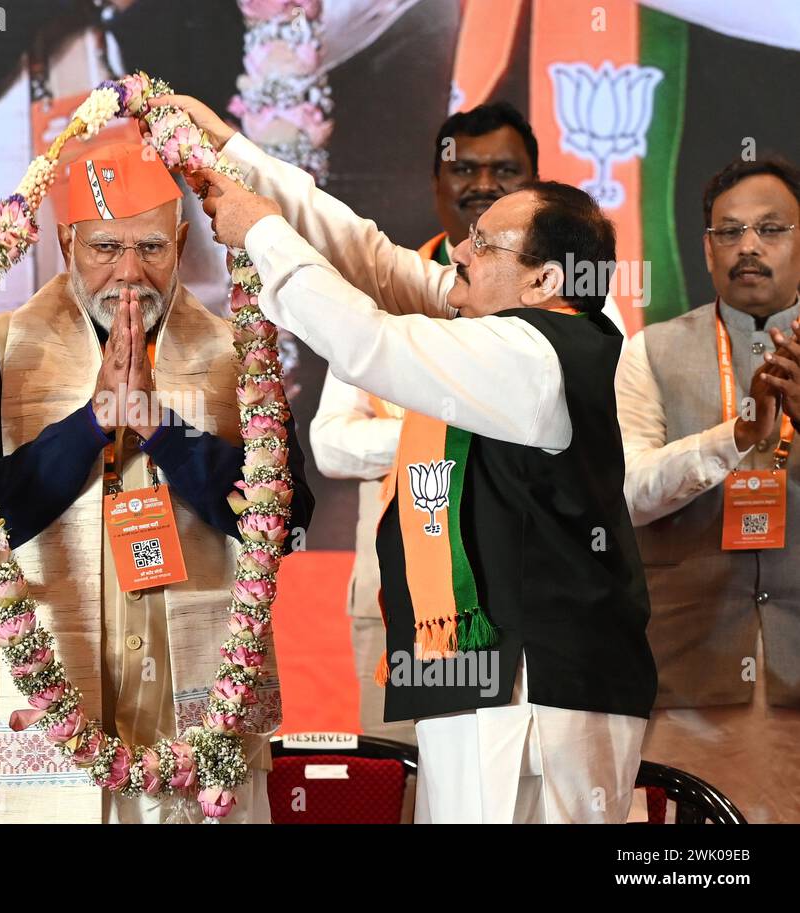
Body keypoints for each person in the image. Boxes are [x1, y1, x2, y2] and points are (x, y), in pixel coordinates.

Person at [165, 93, 656, 823]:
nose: (459, 248)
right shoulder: (497, 322)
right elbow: (369, 259)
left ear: (547, 280)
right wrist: (237, 154)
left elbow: (369, 341)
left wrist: (261, 233)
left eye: (486, 244)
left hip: (539, 686)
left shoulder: (537, 350)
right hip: (475, 676)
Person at [0, 141, 314, 823]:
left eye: (152, 248)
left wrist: (161, 428)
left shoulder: (239, 354)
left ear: (184, 240)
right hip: (46, 691)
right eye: (106, 247)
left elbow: (283, 522)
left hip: (195, 706)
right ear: (65, 240)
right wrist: (90, 424)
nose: (130, 273)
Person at [312, 101, 540, 748]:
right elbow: (330, 441)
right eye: (463, 168)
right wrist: (444, 434)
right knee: (403, 785)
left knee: (516, 791)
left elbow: (597, 436)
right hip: (399, 597)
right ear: (438, 186)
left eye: (505, 169)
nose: (483, 184)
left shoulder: (570, 299)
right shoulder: (379, 297)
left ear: (537, 187)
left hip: (527, 594)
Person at [616, 156, 800, 823]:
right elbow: (629, 492)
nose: (749, 245)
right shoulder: (651, 350)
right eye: (730, 232)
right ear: (707, 247)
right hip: (689, 683)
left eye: (771, 229)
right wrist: (736, 434)